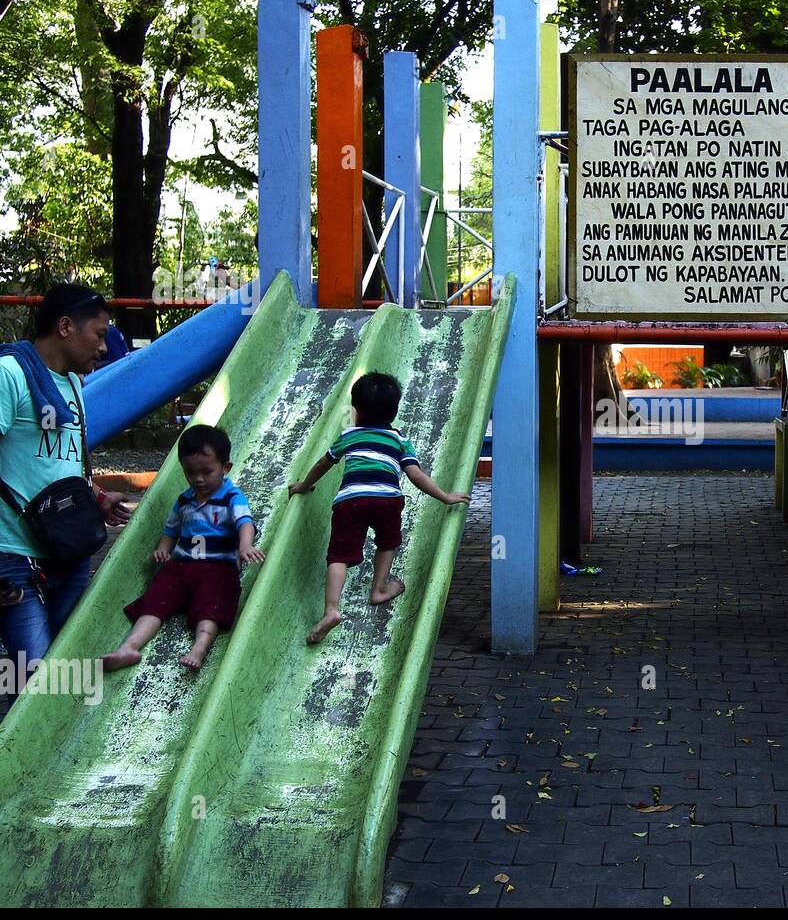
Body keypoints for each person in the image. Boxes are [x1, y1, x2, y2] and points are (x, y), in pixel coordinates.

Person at [0, 284, 133, 670]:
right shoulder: (10, 374)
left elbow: (62, 464)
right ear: (64, 327)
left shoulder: (73, 384)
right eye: (100, 334)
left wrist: (94, 495)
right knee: (36, 676)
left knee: (68, 666)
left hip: (67, 552)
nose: (105, 348)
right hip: (16, 555)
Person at [288, 372, 470, 645]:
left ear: (356, 411)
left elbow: (322, 465)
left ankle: (331, 610)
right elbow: (415, 474)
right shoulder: (398, 440)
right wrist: (444, 496)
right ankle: (379, 588)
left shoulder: (349, 436)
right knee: (388, 542)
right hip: (388, 499)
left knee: (339, 556)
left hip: (351, 500)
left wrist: (303, 485)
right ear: (394, 412)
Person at [102, 425, 264, 672]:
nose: (198, 479)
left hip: (217, 567)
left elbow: (245, 522)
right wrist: (163, 549)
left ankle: (199, 648)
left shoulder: (232, 497)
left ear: (225, 467)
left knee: (212, 606)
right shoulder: (184, 500)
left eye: (207, 472)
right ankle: (130, 647)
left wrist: (245, 546)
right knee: (156, 599)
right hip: (182, 566)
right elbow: (171, 531)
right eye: (191, 472)